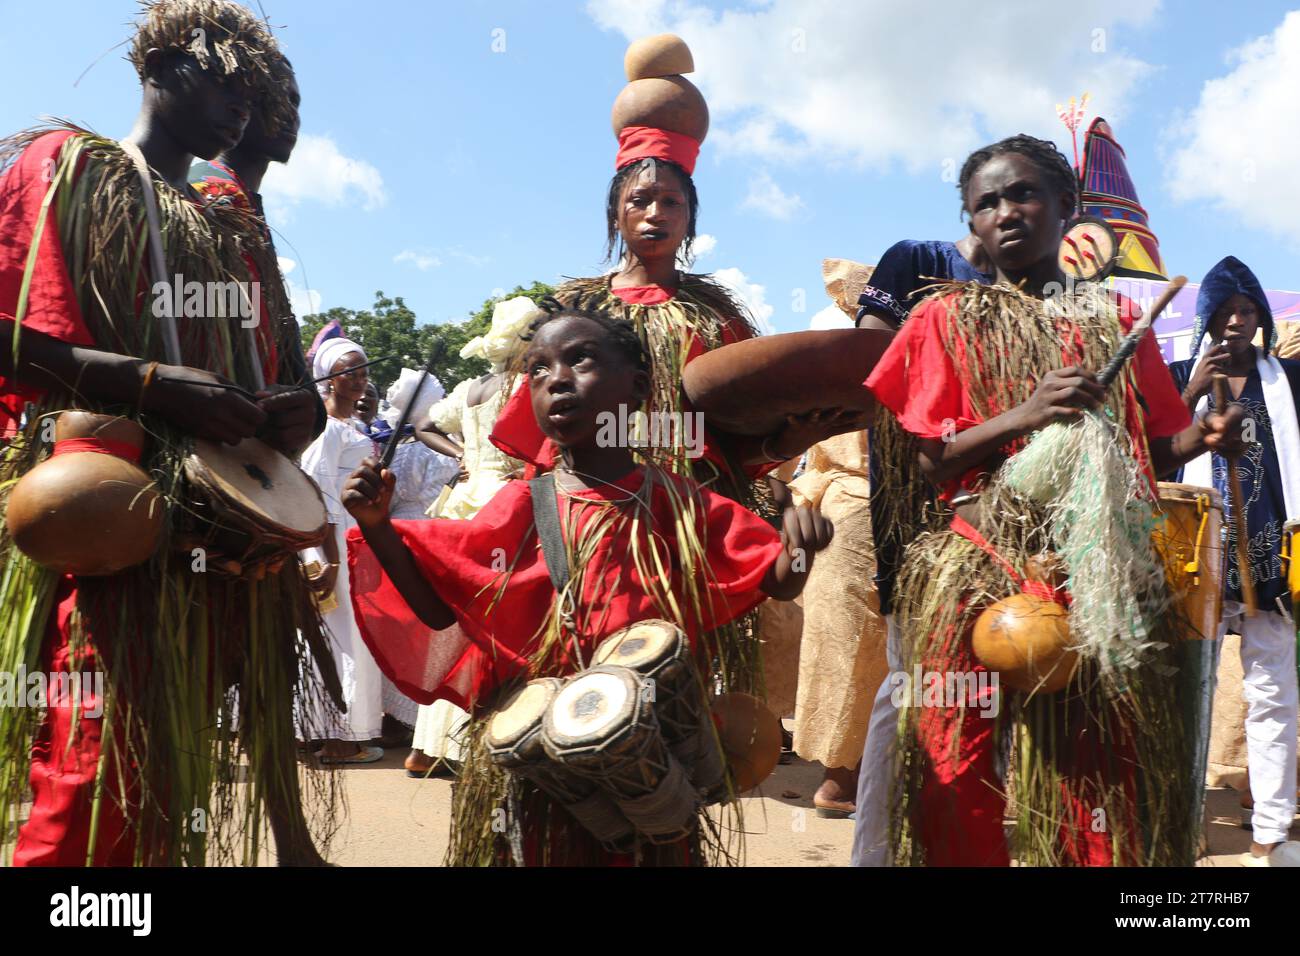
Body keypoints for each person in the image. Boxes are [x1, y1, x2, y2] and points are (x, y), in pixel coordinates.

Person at [0, 0, 334, 866]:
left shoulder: (228, 216)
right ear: (155, 67)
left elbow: (278, 364)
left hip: (223, 535)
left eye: (251, 92)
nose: (239, 105)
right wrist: (145, 383)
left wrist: (303, 409)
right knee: (90, 764)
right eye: (221, 78)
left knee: (166, 767)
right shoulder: (65, 165)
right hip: (108, 510)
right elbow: (10, 335)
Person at [865, 133, 1246, 866]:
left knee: (1092, 774)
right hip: (971, 569)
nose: (1006, 212)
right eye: (987, 203)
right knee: (953, 766)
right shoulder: (942, 319)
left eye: (1024, 194)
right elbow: (926, 461)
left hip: (1090, 578)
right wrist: (1024, 415)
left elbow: (1151, 450)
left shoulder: (1109, 321)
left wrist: (1202, 438)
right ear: (970, 223)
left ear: (1067, 207)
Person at [343, 297, 833, 865]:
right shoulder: (520, 505)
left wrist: (800, 551)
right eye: (539, 369)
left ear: (639, 388)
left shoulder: (680, 503)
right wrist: (377, 528)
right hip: (544, 767)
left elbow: (777, 582)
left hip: (650, 755)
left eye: (581, 360)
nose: (557, 380)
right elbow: (437, 613)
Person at [848, 238, 994, 853]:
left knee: (988, 677)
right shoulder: (916, 259)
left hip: (997, 510)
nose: (1013, 213)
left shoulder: (1034, 290)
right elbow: (867, 358)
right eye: (996, 197)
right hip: (914, 506)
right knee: (908, 678)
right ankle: (875, 854)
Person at [1169, 256, 1300, 867]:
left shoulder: (1291, 382)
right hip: (1197, 555)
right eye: (1224, 311)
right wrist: (1193, 390)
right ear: (1207, 319)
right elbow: (1147, 442)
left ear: (1261, 320)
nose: (1236, 322)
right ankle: (1180, 821)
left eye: (1247, 311)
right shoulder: (1177, 377)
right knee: (1190, 689)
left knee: (1272, 691)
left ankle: (1269, 833)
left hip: (1272, 560)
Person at [404, 296, 532, 778]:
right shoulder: (527, 387)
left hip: (465, 506)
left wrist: (462, 456)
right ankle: (479, 738)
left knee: (457, 622)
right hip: (508, 506)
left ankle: (427, 746)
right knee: (499, 623)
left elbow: (422, 425)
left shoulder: (472, 387)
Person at [300, 336, 384, 764]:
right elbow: (318, 494)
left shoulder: (356, 429)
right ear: (329, 379)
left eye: (364, 372)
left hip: (355, 541)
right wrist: (329, 559)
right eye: (351, 372)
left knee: (354, 635)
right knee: (341, 637)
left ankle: (338, 732)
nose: (360, 380)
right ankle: (337, 738)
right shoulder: (326, 429)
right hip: (332, 544)